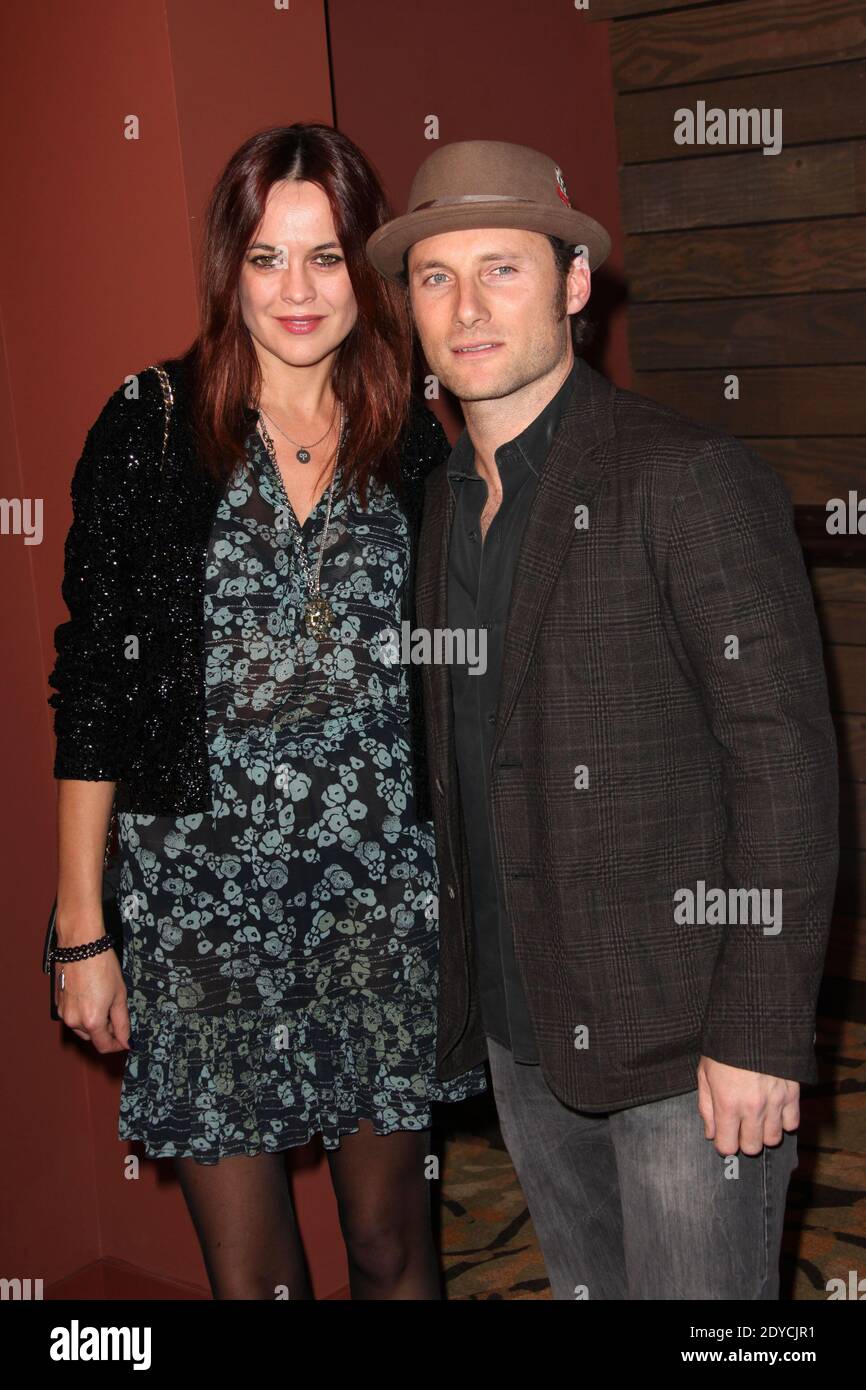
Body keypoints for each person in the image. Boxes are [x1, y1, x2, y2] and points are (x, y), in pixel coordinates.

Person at [366, 139, 839, 1299]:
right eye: (435, 277)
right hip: (524, 1031)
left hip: (688, 1047)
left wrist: (761, 1032)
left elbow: (783, 766)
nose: (466, 306)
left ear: (574, 285)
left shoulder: (683, 475)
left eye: (502, 269)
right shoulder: (432, 507)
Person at [47, 123, 486, 1301]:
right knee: (255, 1277)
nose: (296, 290)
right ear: (227, 268)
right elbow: (94, 681)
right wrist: (85, 928)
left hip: (378, 898)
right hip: (197, 912)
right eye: (264, 258)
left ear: (366, 270)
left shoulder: (410, 438)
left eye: (327, 257)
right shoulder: (148, 423)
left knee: (395, 1247)